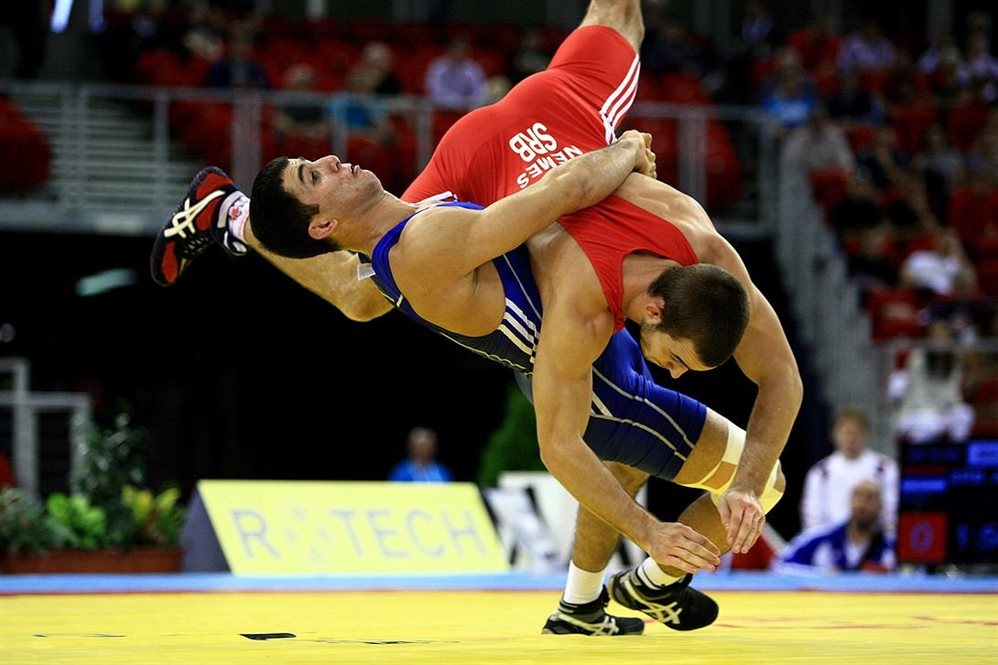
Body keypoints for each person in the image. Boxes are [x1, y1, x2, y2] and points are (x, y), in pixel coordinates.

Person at [151, 0, 801, 636]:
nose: (331, 158)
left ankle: (233, 214)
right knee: (722, 465)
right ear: (654, 307)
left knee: (363, 292)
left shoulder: (686, 233)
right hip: (547, 184)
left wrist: (622, 150)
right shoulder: (600, 284)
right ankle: (645, 585)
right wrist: (655, 531)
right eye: (681, 358)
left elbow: (573, 174)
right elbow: (560, 441)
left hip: (523, 134)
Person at [800, 406, 898, 534]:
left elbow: (891, 511)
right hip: (831, 543)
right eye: (847, 433)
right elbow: (812, 516)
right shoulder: (821, 472)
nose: (851, 439)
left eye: (857, 433)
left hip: (874, 541)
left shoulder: (884, 468)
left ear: (867, 434)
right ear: (834, 434)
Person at [776, 479, 895, 573]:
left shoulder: (892, 546)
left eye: (869, 498)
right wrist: (822, 574)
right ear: (849, 501)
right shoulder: (820, 537)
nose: (862, 504)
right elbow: (780, 565)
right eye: (857, 496)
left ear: (881, 505)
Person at [388, 427, 453, 482]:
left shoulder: (443, 471)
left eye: (429, 445)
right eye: (421, 446)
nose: (425, 449)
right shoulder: (400, 472)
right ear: (411, 446)